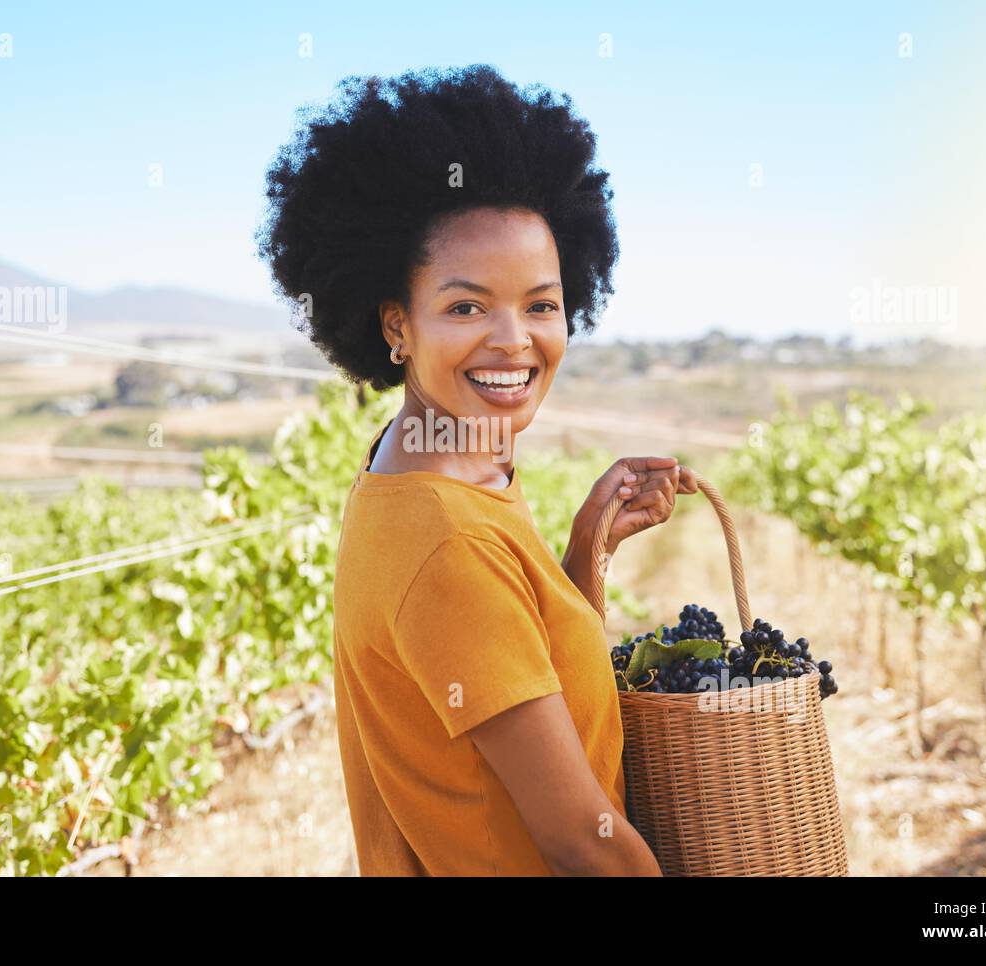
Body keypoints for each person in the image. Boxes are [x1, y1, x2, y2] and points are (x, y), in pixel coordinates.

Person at [256, 64, 695, 875]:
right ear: (396, 324)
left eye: (540, 303)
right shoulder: (447, 538)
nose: (513, 340)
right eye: (466, 306)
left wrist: (580, 557)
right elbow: (578, 843)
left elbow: (515, 677)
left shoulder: (437, 466)